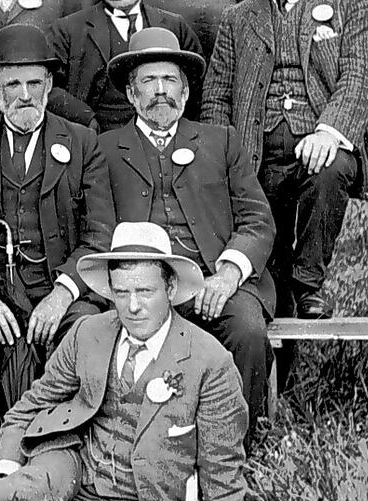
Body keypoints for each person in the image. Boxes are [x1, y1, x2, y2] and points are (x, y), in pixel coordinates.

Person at [0, 222, 249, 501]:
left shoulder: (209, 361)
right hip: (71, 460)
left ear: (171, 289)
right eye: (122, 293)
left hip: (123, 499)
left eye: (145, 292)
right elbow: (30, 407)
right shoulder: (88, 333)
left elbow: (221, 466)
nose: (133, 307)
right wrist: (6, 471)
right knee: (25, 489)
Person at [202, 0, 368, 319]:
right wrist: (222, 159)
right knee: (266, 267)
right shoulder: (238, 18)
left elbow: (363, 79)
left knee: (335, 166)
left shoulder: (345, 4)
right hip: (256, 155)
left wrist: (329, 130)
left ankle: (310, 284)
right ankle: (275, 339)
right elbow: (216, 95)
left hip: (316, 148)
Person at [0, 24, 115, 443]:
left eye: (35, 82)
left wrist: (63, 294)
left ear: (50, 85)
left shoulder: (84, 143)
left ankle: (72, 443)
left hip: (59, 287)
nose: (25, 95)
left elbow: (100, 234)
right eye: (13, 83)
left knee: (87, 329)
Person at [100, 28, 275, 430]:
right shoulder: (105, 149)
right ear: (131, 94)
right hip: (142, 286)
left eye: (170, 80)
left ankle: (236, 443)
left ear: (185, 91)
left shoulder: (221, 141)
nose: (160, 91)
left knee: (246, 328)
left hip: (214, 281)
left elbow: (257, 220)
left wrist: (227, 275)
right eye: (149, 81)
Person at [51, 0, 204, 131]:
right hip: (96, 142)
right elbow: (48, 87)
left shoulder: (174, 26)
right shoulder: (68, 31)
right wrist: (86, 119)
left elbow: (198, 87)